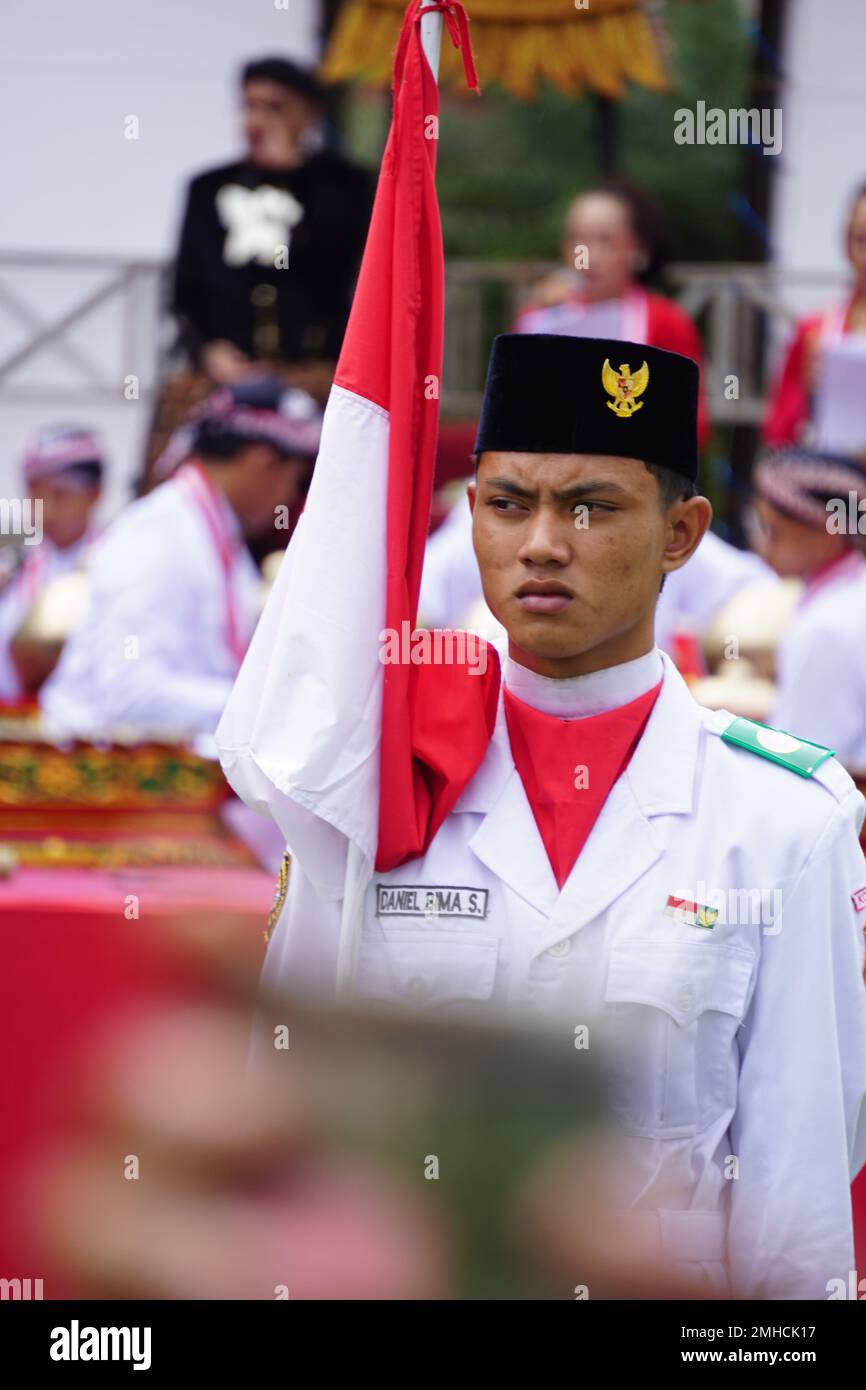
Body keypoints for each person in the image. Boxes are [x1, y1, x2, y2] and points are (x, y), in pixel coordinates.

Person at [220, 334, 866, 1300]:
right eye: (510, 505)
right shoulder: (384, 791)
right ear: (471, 515)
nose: (542, 545)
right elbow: (286, 1126)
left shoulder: (778, 820)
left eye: (593, 507)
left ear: (682, 534)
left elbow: (795, 1201)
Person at [41, 381, 321, 739]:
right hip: (104, 781)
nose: (288, 496)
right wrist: (273, 708)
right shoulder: (160, 533)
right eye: (295, 480)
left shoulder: (208, 532)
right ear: (262, 464)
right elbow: (130, 695)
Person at [173, 56, 372, 393]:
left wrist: (290, 176)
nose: (258, 121)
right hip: (222, 374)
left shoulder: (345, 186)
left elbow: (339, 267)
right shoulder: (208, 187)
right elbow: (186, 286)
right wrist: (209, 351)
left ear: (308, 113)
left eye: (274, 108)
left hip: (314, 371)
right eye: (250, 107)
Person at [514, 181, 709, 447]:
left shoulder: (667, 321)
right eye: (575, 238)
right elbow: (512, 405)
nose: (586, 254)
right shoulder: (540, 316)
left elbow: (692, 421)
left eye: (605, 240)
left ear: (638, 249)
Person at [748, 445, 866, 771]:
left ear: (829, 532)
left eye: (772, 531)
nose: (762, 546)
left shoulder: (827, 627)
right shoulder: (848, 596)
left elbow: (803, 761)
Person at [0, 427, 103, 703]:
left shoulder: (114, 564)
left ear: (95, 494)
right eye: (35, 495)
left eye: (60, 494)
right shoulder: (12, 559)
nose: (45, 509)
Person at [764, 182, 866, 447]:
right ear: (847, 244)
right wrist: (808, 394)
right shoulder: (815, 332)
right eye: (862, 239)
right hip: (833, 477)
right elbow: (778, 431)